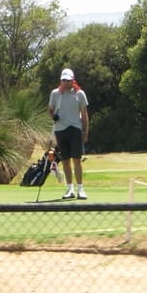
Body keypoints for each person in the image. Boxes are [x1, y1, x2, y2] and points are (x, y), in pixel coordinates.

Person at [47, 68, 90, 199]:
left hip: (75, 129)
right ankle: (70, 189)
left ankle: (80, 189)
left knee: (77, 160)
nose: (66, 82)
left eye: (68, 80)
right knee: (65, 161)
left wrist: (85, 132)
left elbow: (84, 115)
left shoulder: (79, 94)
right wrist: (53, 116)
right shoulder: (55, 94)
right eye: (64, 80)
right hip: (60, 130)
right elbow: (50, 110)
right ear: (61, 80)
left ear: (73, 80)